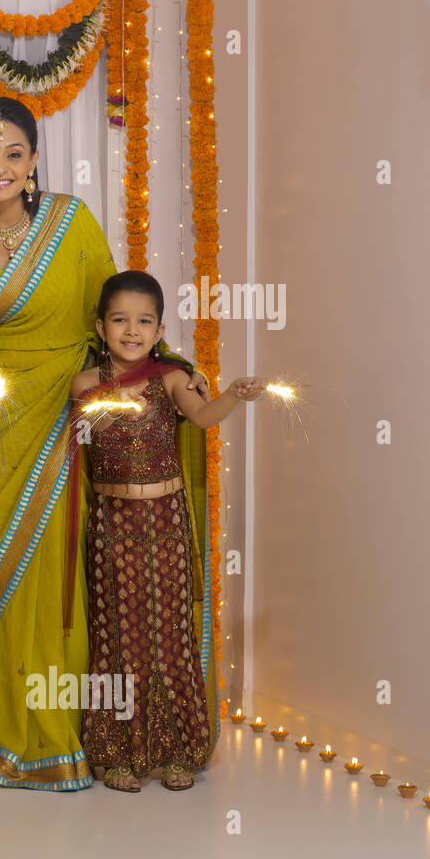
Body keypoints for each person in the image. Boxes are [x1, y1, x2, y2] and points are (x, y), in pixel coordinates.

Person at [0, 97, 209, 790]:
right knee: (3, 576)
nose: (0, 167)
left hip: (76, 412)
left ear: (33, 162)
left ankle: (86, 736)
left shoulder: (74, 223)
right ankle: (9, 737)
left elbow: (119, 315)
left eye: (14, 154)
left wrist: (173, 365)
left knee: (70, 578)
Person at [70, 271, 261, 791]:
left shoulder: (172, 378)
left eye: (144, 321)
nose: (131, 330)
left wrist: (233, 395)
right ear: (101, 325)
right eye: (120, 320)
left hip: (166, 523)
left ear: (158, 329)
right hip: (111, 525)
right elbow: (72, 445)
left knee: (170, 636)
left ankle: (178, 752)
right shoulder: (85, 384)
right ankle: (116, 755)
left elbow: (202, 418)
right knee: (117, 638)